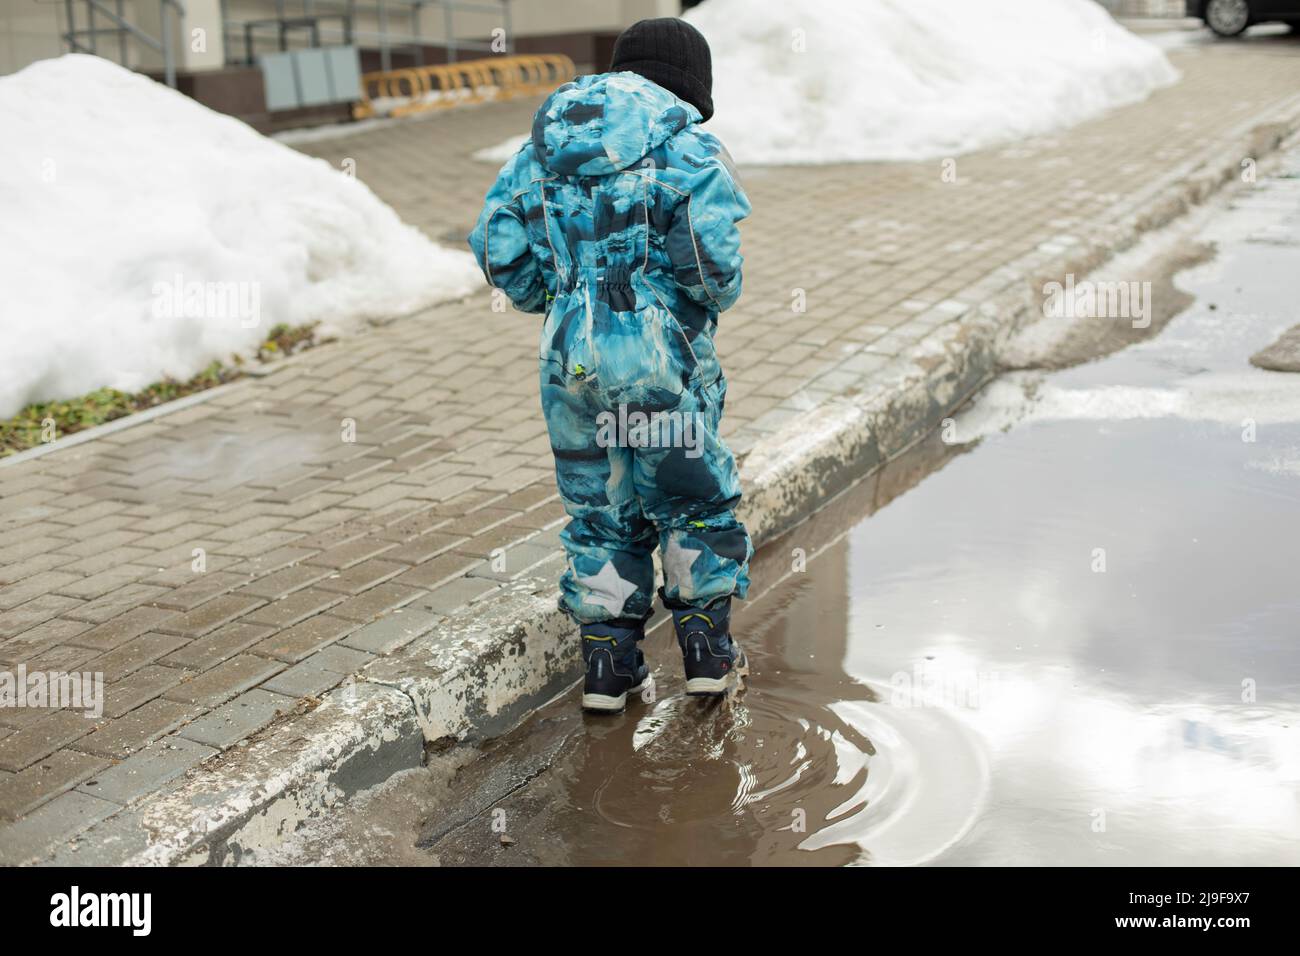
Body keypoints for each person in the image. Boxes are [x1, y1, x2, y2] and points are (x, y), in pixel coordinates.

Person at [468, 17, 752, 713]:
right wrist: (689, 302)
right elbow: (711, 267)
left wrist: (555, 297)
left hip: (571, 363)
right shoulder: (686, 149)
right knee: (690, 499)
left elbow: (497, 241)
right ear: (687, 82)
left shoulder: (539, 150)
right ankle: (708, 657)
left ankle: (607, 668)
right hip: (657, 362)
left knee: (598, 508)